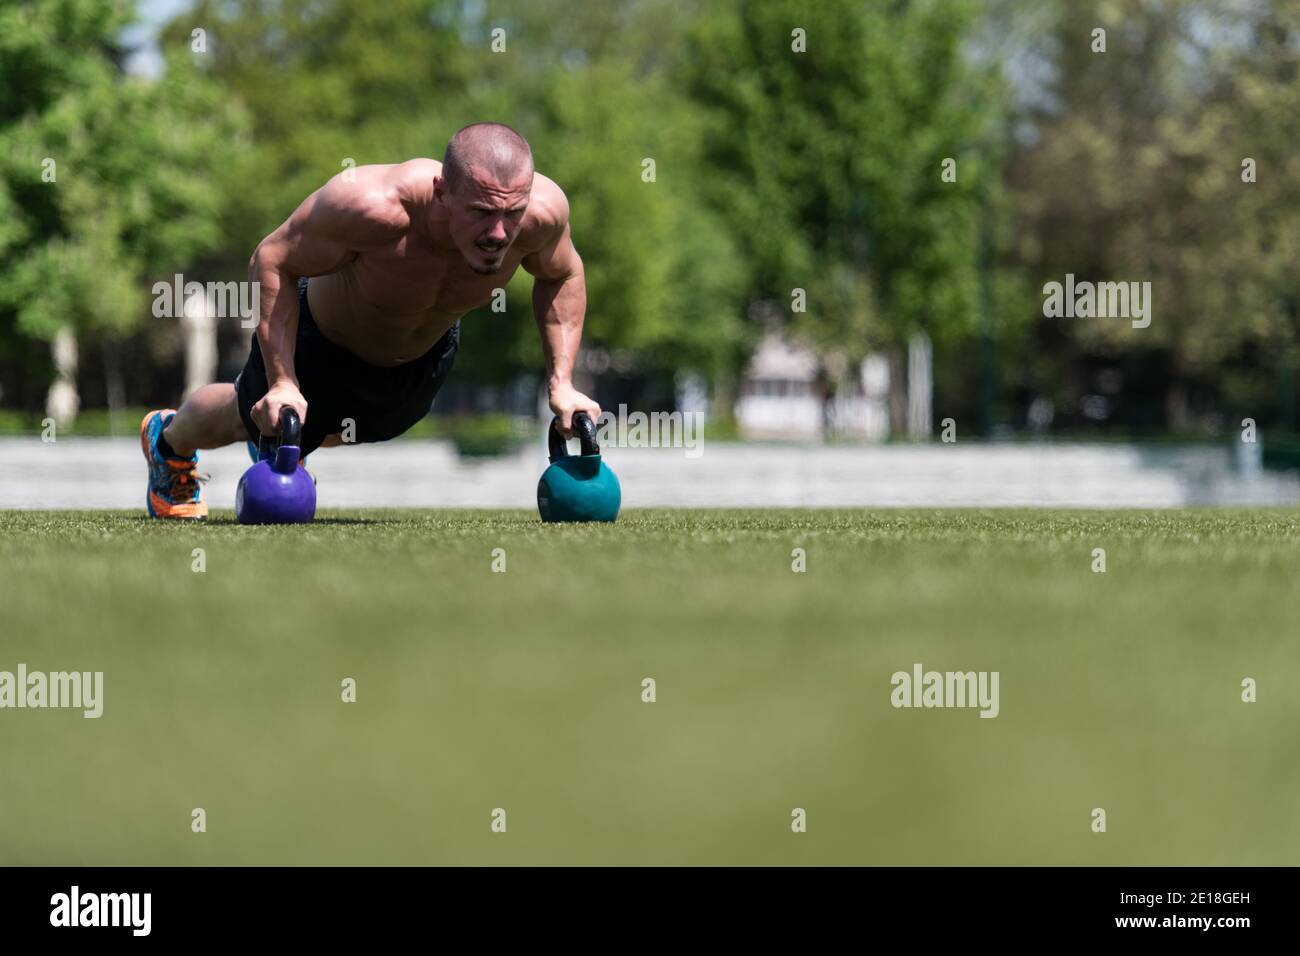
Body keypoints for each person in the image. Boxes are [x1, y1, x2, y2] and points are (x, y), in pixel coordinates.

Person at [140, 122, 600, 519]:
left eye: (511, 213)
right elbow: (273, 258)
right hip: (316, 342)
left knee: (345, 428)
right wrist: (282, 379)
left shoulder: (543, 216)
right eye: (481, 213)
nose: (498, 233)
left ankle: (295, 440)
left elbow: (562, 274)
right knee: (242, 417)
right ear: (442, 192)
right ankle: (169, 441)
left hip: (420, 361)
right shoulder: (371, 205)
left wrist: (561, 382)